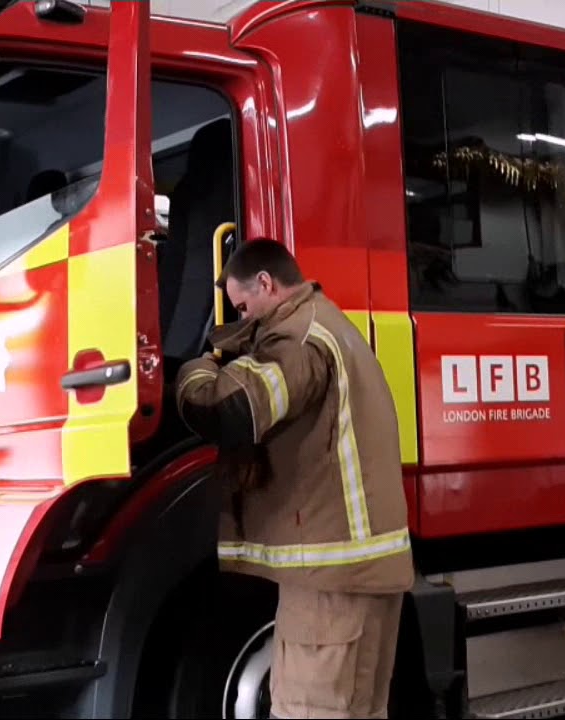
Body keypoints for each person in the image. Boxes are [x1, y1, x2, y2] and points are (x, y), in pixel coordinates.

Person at [175, 238, 415, 719]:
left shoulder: (298, 339)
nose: (245, 318)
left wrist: (193, 371)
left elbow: (235, 408)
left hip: (331, 582)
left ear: (267, 283)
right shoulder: (327, 323)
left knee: (311, 710)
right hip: (360, 572)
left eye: (244, 306)